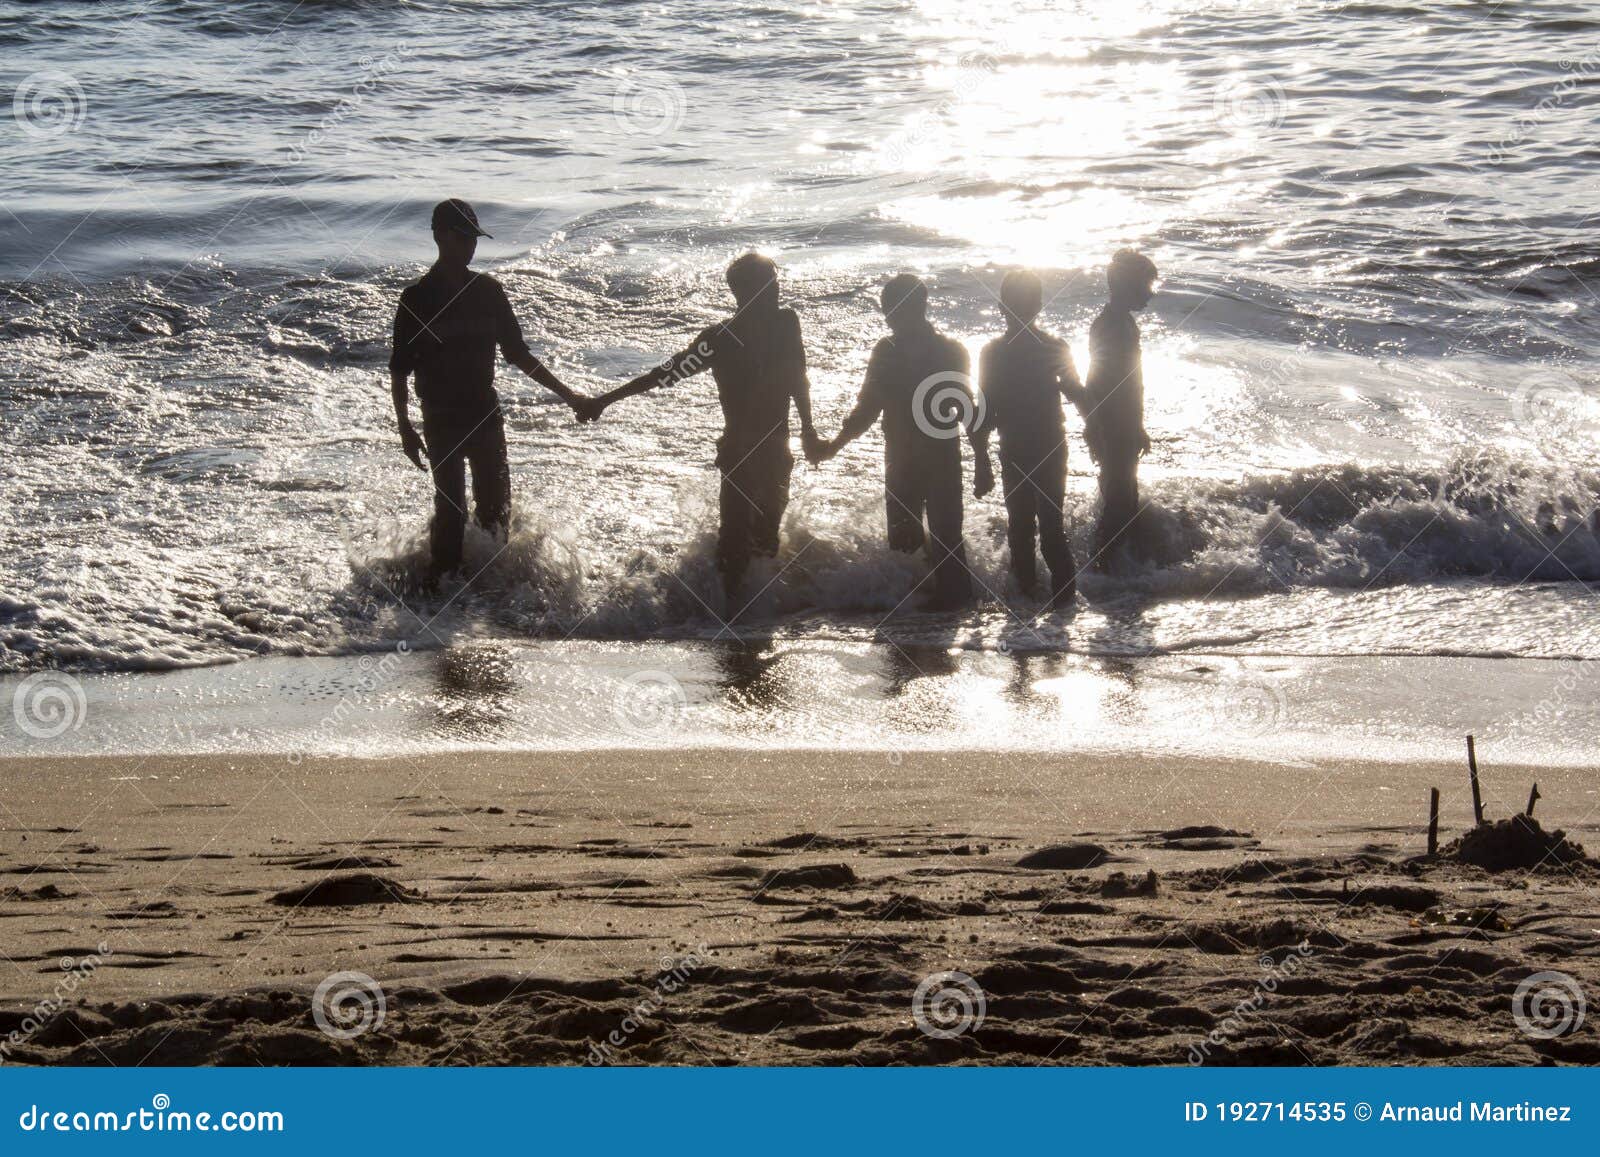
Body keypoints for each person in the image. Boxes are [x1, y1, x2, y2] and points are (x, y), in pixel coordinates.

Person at [577, 253, 822, 607]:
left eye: (775, 281)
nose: (776, 288)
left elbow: (798, 377)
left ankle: (751, 619)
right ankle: (726, 619)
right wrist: (606, 399)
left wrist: (809, 430)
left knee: (764, 540)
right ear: (745, 291)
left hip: (772, 452)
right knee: (735, 541)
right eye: (769, 283)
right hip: (742, 452)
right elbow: (667, 373)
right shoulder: (721, 339)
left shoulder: (781, 325)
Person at [390, 198, 590, 583]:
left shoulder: (489, 292)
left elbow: (518, 354)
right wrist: (404, 427)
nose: (470, 246)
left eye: (473, 239)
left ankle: (492, 600)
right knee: (450, 513)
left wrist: (569, 396)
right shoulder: (416, 299)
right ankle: (440, 601)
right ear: (439, 237)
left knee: (496, 513)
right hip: (440, 418)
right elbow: (399, 369)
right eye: (461, 238)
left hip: (485, 415)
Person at [815, 274, 978, 610]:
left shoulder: (949, 351)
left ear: (913, 308)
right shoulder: (892, 351)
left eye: (890, 309)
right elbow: (868, 407)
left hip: (937, 460)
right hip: (905, 460)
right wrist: (834, 445)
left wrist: (984, 463)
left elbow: (965, 408)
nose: (887, 316)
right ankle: (915, 623)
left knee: (947, 541)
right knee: (905, 545)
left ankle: (951, 618)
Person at [972, 270, 1086, 607]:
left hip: (1029, 447)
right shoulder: (1047, 347)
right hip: (1037, 446)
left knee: (1028, 527)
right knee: (1042, 527)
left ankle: (1034, 606)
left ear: (1001, 307)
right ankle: (1059, 609)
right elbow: (1078, 394)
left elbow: (984, 411)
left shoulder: (998, 351)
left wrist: (981, 461)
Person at [1084, 249, 1159, 566]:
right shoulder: (1110, 326)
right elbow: (1097, 380)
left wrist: (1138, 426)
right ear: (1127, 286)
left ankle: (1119, 571)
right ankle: (1101, 570)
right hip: (1112, 425)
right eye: (1146, 286)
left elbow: (1132, 383)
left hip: (1123, 425)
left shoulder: (1124, 323)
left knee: (1125, 498)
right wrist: (1096, 426)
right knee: (1119, 500)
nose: (1150, 295)